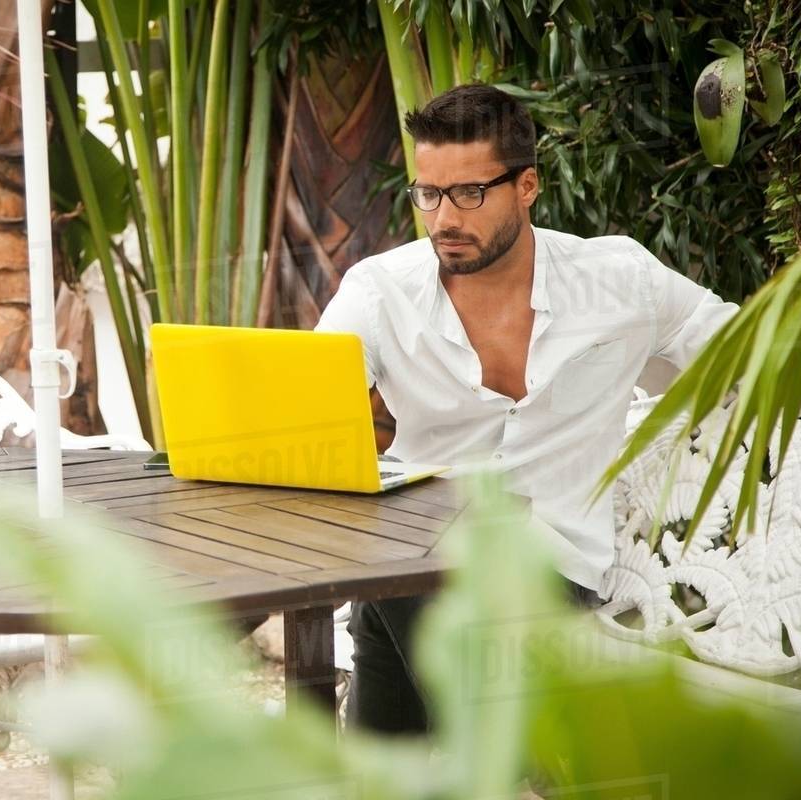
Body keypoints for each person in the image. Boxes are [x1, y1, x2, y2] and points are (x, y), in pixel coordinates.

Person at [315, 84, 739, 734]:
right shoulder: (379, 293)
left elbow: (744, 344)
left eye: (468, 193)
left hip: (550, 568)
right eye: (428, 194)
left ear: (527, 186)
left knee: (394, 594)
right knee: (397, 581)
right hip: (416, 558)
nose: (443, 219)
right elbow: (309, 411)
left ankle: (480, 758)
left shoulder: (618, 280)